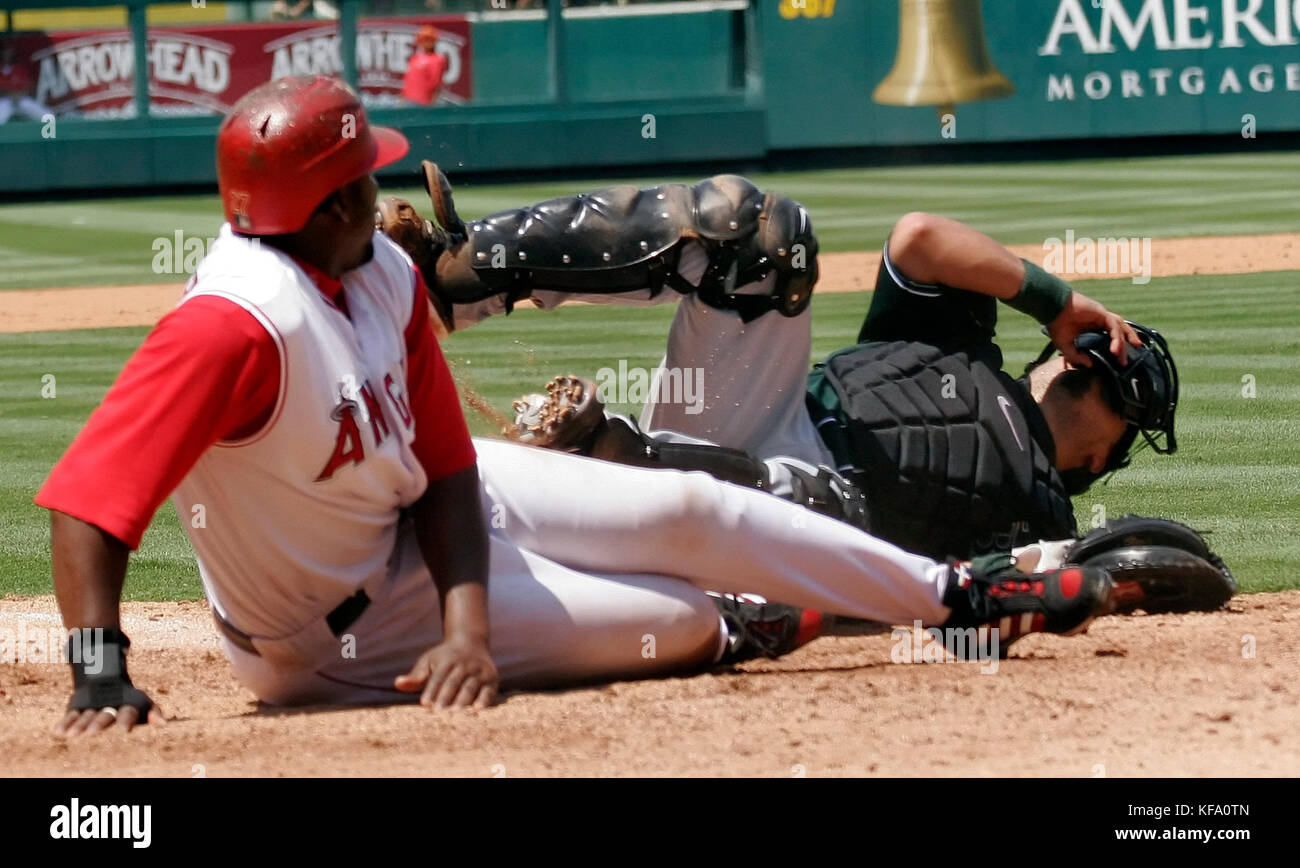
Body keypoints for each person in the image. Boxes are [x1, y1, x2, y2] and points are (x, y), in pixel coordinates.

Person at [38, 76, 1114, 736]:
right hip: (326, 634)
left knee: (695, 513)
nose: (383, 188)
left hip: (422, 530)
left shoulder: (379, 276)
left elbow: (450, 467)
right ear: (322, 205)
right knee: (680, 620)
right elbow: (91, 498)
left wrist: (473, 625)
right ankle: (779, 606)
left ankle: (954, 598)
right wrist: (98, 667)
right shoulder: (232, 324)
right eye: (363, 179)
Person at [378, 170, 1178, 563]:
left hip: (782, 540)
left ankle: (606, 458)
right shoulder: (961, 343)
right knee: (761, 231)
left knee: (839, 504)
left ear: (1105, 456)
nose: (1117, 355)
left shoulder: (1050, 525)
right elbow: (920, 236)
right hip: (758, 414)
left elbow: (1142, 572)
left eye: (1130, 384)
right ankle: (446, 282)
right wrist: (1055, 298)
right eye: (1112, 345)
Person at [401, 26, 448, 107]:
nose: (427, 42)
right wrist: (402, 101)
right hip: (409, 101)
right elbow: (408, 81)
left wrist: (431, 104)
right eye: (424, 39)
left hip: (424, 103)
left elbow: (436, 84)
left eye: (429, 39)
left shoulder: (437, 59)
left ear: (434, 41)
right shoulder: (415, 58)